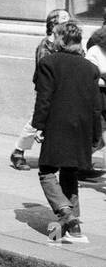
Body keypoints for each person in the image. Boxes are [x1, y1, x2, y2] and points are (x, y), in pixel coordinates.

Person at [31, 21, 101, 244]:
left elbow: (44, 98)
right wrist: (95, 134)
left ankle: (67, 216)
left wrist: (38, 126)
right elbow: (95, 105)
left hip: (57, 123)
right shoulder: (90, 68)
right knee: (70, 172)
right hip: (82, 125)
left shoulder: (49, 63)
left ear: (60, 40)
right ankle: (74, 228)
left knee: (47, 171)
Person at [10, 8, 71, 170]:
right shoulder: (45, 45)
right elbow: (45, 69)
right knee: (37, 120)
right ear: (54, 23)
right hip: (48, 89)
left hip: (63, 88)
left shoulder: (65, 42)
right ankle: (18, 152)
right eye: (64, 20)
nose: (68, 22)